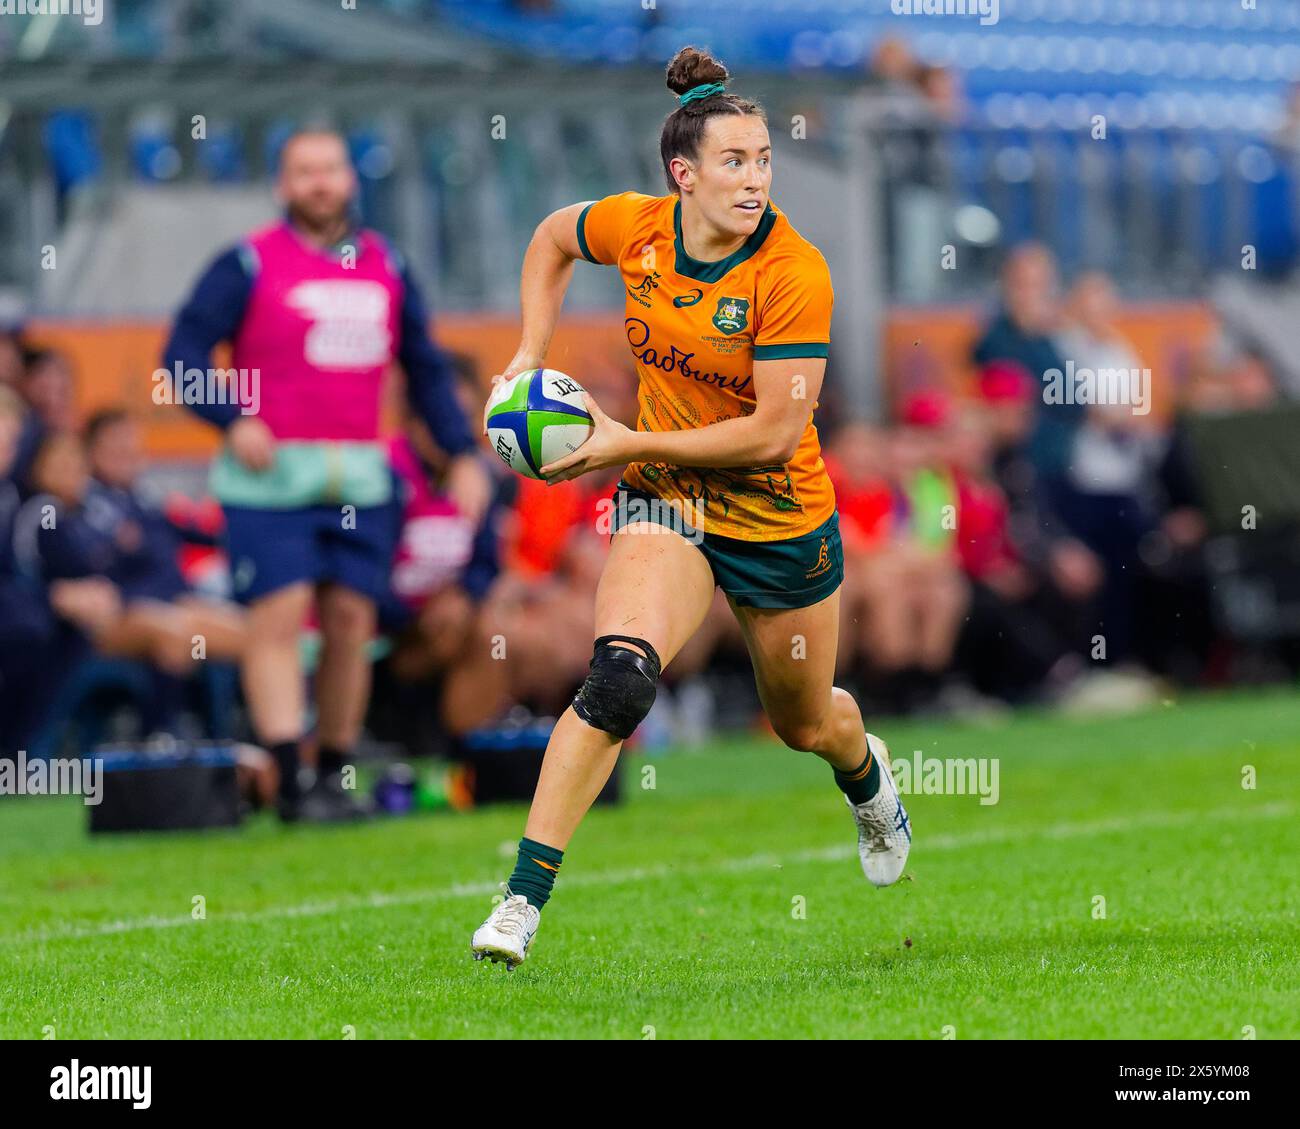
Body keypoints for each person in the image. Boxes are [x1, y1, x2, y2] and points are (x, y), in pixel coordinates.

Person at [470, 46, 912, 969]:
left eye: (763, 161)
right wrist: (529, 350)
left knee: (803, 722)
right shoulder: (639, 229)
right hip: (669, 503)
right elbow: (553, 235)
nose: (755, 178)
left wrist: (624, 441)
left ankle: (864, 775)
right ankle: (521, 899)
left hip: (778, 521)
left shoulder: (793, 271)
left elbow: (768, 433)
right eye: (735, 161)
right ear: (686, 174)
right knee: (619, 678)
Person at [163, 128, 490, 822]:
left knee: (350, 619)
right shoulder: (248, 264)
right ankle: (289, 779)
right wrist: (232, 416)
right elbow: (183, 352)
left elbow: (426, 368)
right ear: (283, 185)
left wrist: (464, 452)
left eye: (330, 170)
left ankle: (333, 774)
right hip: (270, 477)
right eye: (303, 172)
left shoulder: (386, 265)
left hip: (360, 475)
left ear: (350, 180)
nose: (318, 184)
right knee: (277, 619)